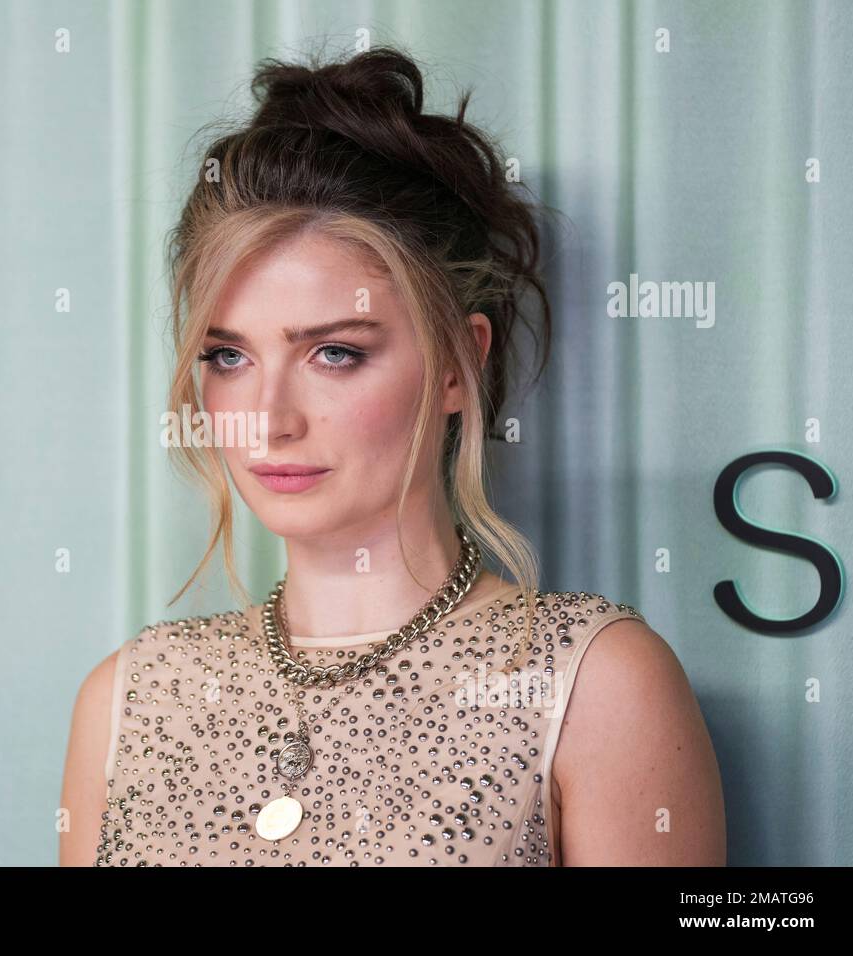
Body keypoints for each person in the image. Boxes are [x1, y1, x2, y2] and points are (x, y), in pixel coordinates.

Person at [60, 44, 725, 866]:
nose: (266, 420)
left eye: (334, 353)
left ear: (456, 365)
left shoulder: (591, 681)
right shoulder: (130, 699)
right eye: (228, 356)